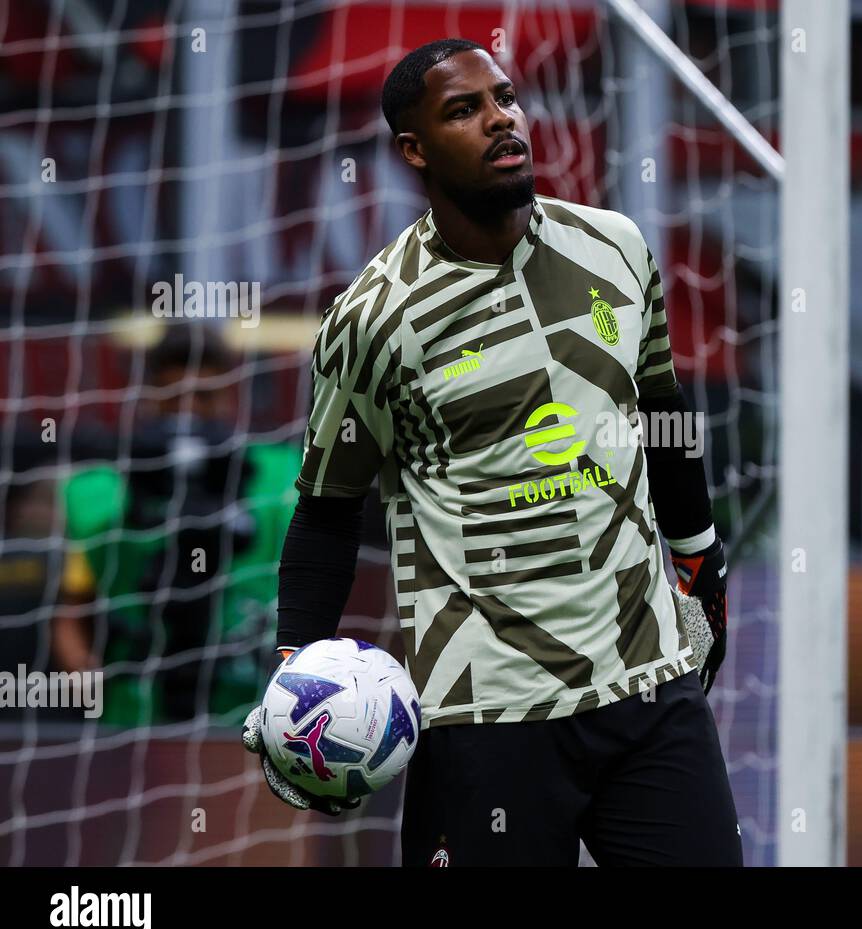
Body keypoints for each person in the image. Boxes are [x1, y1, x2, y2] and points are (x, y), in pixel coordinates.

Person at [241, 38, 741, 866]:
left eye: (505, 97)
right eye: (464, 110)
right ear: (415, 150)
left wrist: (700, 556)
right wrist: (295, 670)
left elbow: (662, 416)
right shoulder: (374, 320)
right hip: (485, 718)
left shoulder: (617, 248)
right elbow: (327, 512)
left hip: (648, 688)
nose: (502, 118)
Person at [53, 323, 300, 726]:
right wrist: (87, 684)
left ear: (229, 395)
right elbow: (69, 615)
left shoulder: (282, 481)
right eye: (174, 396)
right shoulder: (103, 494)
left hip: (251, 709)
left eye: (203, 396)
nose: (188, 411)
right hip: (135, 715)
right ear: (151, 396)